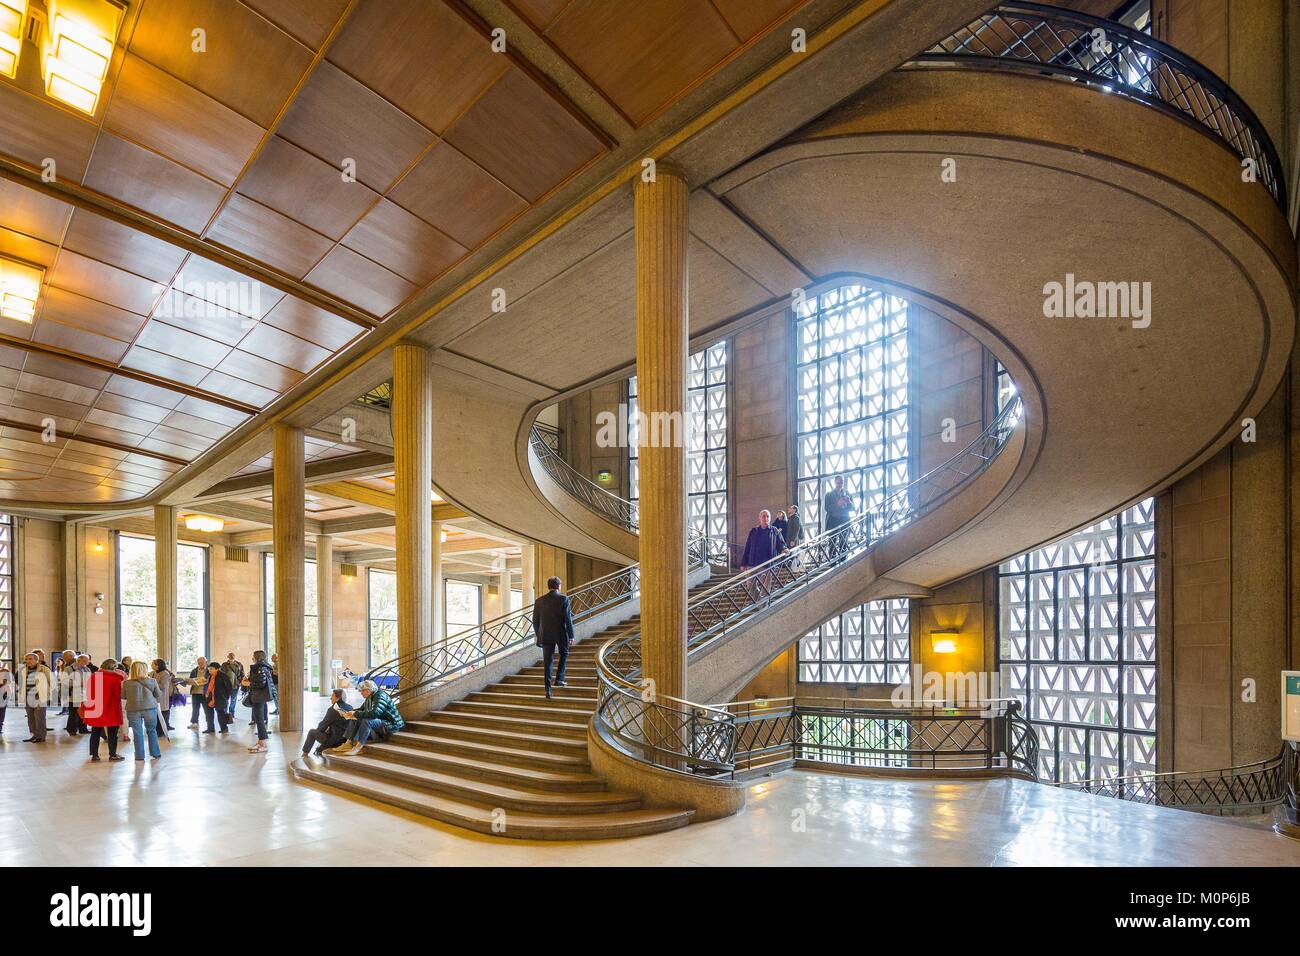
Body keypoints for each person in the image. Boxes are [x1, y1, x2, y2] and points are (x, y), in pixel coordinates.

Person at [327, 680, 404, 756]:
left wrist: (356, 713)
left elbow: (375, 713)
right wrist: (350, 713)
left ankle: (358, 748)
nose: (361, 693)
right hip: (381, 722)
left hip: (391, 724)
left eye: (362, 691)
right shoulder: (370, 697)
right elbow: (361, 710)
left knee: (367, 721)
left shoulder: (380, 696)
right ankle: (348, 743)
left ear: (368, 690)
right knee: (355, 717)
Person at [532, 576, 575, 699]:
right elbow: (568, 619)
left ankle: (548, 689)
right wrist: (571, 635)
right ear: (558, 586)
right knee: (564, 653)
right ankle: (559, 679)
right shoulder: (564, 599)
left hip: (545, 634)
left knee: (548, 661)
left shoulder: (539, 601)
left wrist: (539, 633)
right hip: (560, 633)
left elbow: (535, 621)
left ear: (549, 586)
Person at [83, 660, 125, 762]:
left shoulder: (93, 676)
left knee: (95, 732)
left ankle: (95, 755)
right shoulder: (115, 678)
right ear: (114, 667)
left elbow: (88, 692)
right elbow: (118, 695)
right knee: (112, 733)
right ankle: (112, 754)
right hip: (112, 708)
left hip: (96, 707)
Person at [122, 660, 164, 761]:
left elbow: (123, 696)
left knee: (137, 733)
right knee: (151, 731)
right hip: (150, 708)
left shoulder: (126, 683)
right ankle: (155, 753)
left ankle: (139, 756)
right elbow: (158, 695)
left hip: (133, 709)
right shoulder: (152, 681)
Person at [300, 689, 351, 758]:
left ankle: (305, 754)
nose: (330, 698)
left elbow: (322, 726)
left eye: (332, 696)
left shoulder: (333, 709)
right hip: (345, 740)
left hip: (335, 741)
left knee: (312, 732)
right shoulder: (350, 707)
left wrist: (319, 731)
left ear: (337, 698)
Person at [243, 650, 275, 753]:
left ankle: (262, 744)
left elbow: (261, 683)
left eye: (253, 656)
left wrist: (248, 683)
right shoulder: (264, 666)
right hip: (259, 697)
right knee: (259, 719)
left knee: (259, 720)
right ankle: (261, 742)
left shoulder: (260, 667)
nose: (252, 657)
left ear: (257, 657)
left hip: (259, 697)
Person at [18, 652, 51, 743]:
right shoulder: (23, 670)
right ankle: (34, 735)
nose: (28, 661)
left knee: (39, 717)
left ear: (37, 660)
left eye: (30, 659)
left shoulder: (44, 669)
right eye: (27, 659)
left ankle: (41, 736)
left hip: (40, 696)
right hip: (27, 696)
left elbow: (51, 681)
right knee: (30, 717)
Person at [824, 476, 855, 556]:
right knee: (832, 541)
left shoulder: (848, 493)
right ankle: (832, 561)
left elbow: (853, 508)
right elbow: (827, 508)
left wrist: (849, 502)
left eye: (841, 482)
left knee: (844, 540)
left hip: (845, 519)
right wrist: (837, 504)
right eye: (838, 482)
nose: (840, 484)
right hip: (833, 520)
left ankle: (843, 558)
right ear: (835, 482)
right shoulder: (829, 494)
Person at [203, 662, 232, 735]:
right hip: (210, 697)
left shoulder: (223, 676)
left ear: (217, 669)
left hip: (220, 698)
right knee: (209, 713)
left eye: (211, 669)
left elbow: (228, 687)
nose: (209, 670)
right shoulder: (211, 676)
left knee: (220, 714)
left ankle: (224, 728)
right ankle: (210, 728)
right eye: (209, 668)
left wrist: (226, 697)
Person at [185, 656, 209, 729]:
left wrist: (199, 681)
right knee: (195, 709)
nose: (200, 664)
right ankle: (194, 723)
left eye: (202, 663)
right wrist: (187, 681)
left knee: (207, 709)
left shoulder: (208, 671)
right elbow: (191, 679)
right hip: (195, 692)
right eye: (199, 663)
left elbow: (206, 681)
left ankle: (209, 724)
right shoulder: (194, 670)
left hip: (204, 693)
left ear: (206, 662)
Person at [151, 659, 175, 730]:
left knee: (163, 712)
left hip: (162, 696)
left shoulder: (165, 673)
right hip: (154, 696)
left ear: (158, 665)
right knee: (156, 713)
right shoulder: (152, 673)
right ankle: (158, 728)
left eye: (153, 664)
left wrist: (151, 683)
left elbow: (163, 686)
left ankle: (164, 728)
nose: (151, 665)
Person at [221, 653, 244, 721]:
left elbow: (242, 673)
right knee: (225, 699)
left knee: (233, 699)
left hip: (235, 685)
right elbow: (221, 674)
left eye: (233, 655)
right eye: (230, 655)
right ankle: (225, 713)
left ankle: (231, 713)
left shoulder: (239, 664)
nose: (231, 656)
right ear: (227, 657)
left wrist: (239, 682)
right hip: (226, 685)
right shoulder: (224, 664)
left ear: (235, 656)